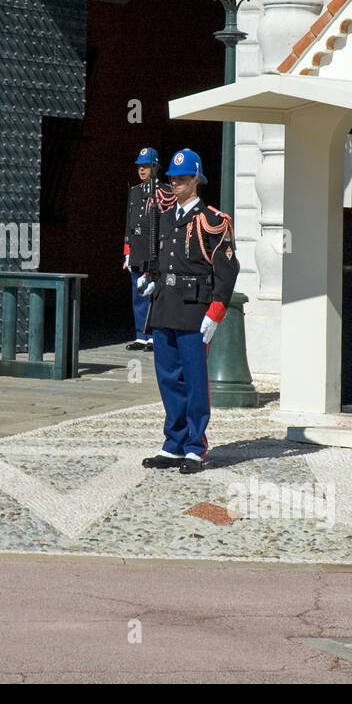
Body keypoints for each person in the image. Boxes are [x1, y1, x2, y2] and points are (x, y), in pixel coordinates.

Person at [136, 149, 239, 475]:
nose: (176, 184)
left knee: (194, 380)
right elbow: (162, 257)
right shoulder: (166, 217)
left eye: (182, 179)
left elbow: (228, 269)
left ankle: (195, 446)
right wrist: (151, 280)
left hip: (195, 308)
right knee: (168, 378)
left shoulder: (212, 221)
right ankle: (173, 442)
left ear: (197, 179)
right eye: (173, 179)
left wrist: (217, 310)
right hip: (166, 305)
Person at [123, 147, 175, 351]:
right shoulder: (135, 191)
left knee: (155, 293)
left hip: (153, 249)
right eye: (140, 166)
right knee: (138, 292)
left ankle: (154, 333)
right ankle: (140, 334)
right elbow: (129, 222)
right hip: (137, 248)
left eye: (146, 166)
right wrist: (127, 251)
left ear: (155, 167)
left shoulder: (165, 191)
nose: (141, 170)